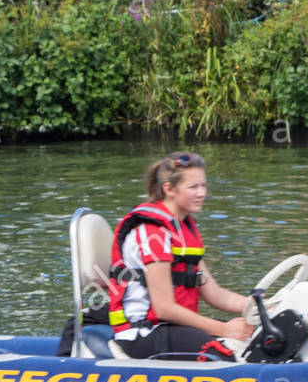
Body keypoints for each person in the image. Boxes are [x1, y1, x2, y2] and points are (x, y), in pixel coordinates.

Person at [108, 152, 254, 360]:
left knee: (257, 340)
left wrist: (257, 306)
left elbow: (214, 293)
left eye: (203, 186)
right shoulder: (153, 232)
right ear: (169, 189)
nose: (202, 193)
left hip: (173, 327)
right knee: (222, 357)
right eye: (193, 187)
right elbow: (164, 308)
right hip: (143, 334)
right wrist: (223, 329)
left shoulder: (183, 229)